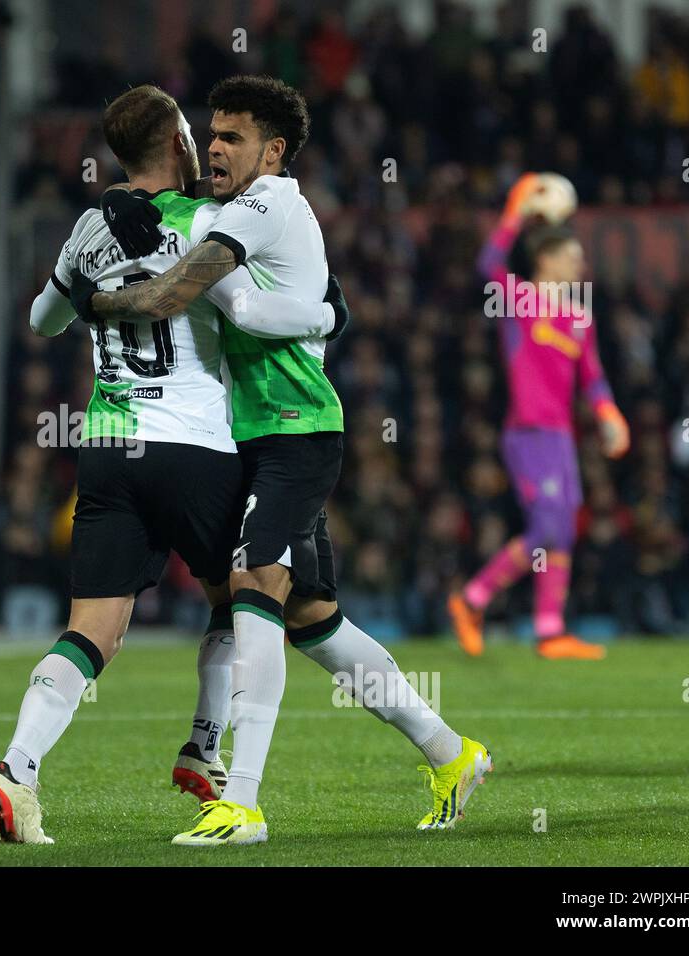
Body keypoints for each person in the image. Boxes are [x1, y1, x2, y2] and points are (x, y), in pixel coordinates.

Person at [85, 76, 491, 845]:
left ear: (272, 150)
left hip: (298, 433)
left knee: (251, 584)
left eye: (232, 136)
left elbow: (178, 292)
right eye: (209, 133)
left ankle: (241, 800)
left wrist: (101, 300)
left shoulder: (266, 203)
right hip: (254, 437)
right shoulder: (238, 211)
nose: (212, 146)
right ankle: (450, 752)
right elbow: (303, 297)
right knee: (311, 618)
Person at [0, 84, 327, 844]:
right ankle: (204, 750)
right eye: (198, 137)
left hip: (106, 450)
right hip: (196, 444)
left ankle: (16, 769)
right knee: (241, 601)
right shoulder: (210, 221)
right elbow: (246, 309)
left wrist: (95, 249)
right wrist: (327, 307)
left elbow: (42, 321)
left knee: (92, 632)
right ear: (179, 144)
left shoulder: (87, 228)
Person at [448, 173, 630, 660]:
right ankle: (472, 599)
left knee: (564, 530)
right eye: (573, 257)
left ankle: (550, 631)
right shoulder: (520, 301)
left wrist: (610, 413)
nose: (580, 264)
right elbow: (488, 263)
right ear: (547, 260)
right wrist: (515, 215)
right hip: (527, 433)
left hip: (561, 437)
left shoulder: (580, 316)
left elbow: (592, 378)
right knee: (546, 527)